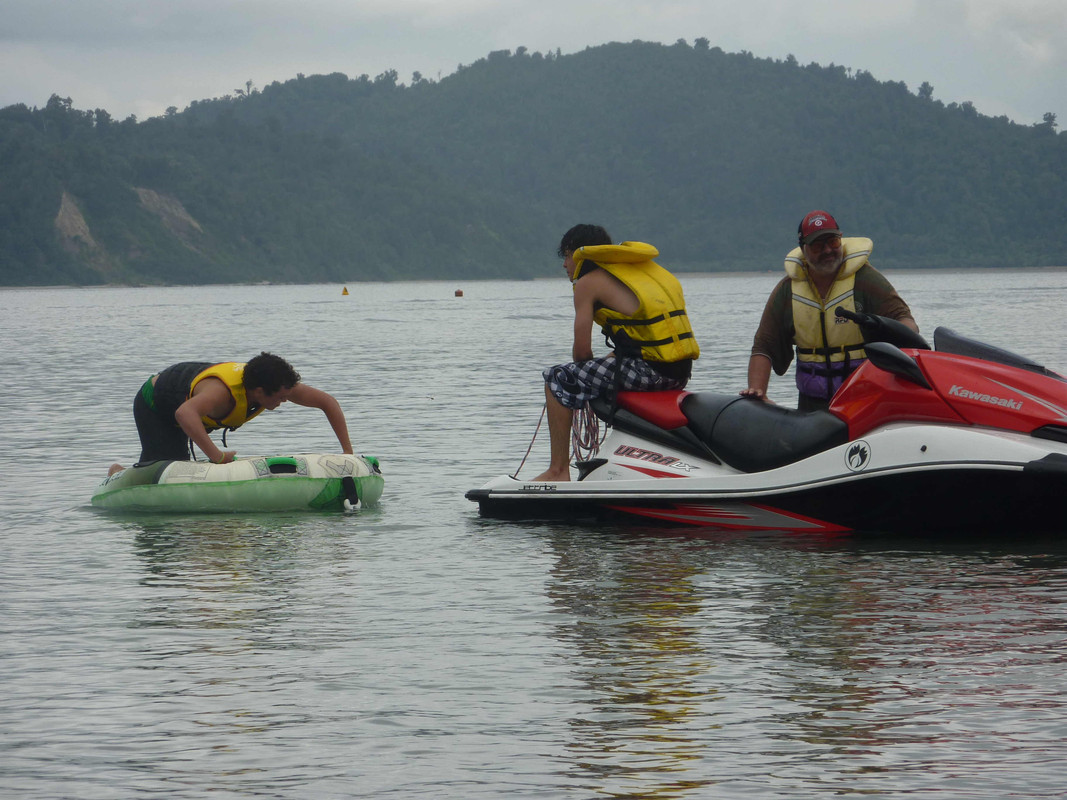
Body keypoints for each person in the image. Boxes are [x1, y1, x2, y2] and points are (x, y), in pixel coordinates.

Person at [533, 224, 700, 482]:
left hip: (650, 373)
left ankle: (558, 471)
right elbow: (637, 345)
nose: (565, 264)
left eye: (566, 256)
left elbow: (581, 353)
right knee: (593, 370)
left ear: (580, 255)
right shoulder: (634, 274)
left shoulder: (587, 284)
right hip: (678, 373)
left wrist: (586, 379)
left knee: (558, 377)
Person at [741, 210, 919, 411]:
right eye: (818, 245)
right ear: (803, 250)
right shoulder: (787, 291)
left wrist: (903, 336)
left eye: (833, 242)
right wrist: (757, 391)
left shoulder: (866, 280)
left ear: (841, 240)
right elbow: (764, 345)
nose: (827, 250)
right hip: (812, 403)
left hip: (865, 399)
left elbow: (905, 320)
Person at [109, 352, 353, 474]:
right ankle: (118, 473)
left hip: (192, 408)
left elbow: (328, 403)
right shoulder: (221, 393)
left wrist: (347, 453)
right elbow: (185, 414)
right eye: (280, 397)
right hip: (156, 403)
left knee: (180, 465)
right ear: (259, 391)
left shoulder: (277, 383)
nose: (285, 400)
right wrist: (217, 456)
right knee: (168, 468)